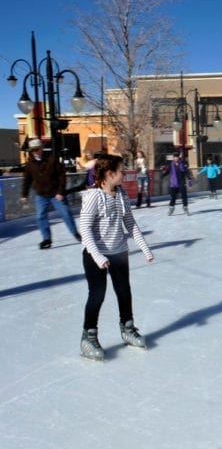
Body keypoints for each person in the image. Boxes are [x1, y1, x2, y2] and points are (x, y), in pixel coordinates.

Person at [78, 154, 154, 360]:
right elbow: (84, 229)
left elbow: (130, 223)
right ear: (109, 174)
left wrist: (145, 248)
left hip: (119, 251)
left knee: (124, 291)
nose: (124, 174)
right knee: (97, 294)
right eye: (121, 171)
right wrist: (97, 255)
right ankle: (88, 336)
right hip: (96, 254)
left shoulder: (121, 195)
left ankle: (127, 328)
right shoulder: (94, 196)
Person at [21, 138, 81, 249]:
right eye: (32, 150)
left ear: (41, 149)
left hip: (55, 194)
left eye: (36, 149)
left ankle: (76, 233)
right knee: (40, 216)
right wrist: (24, 194)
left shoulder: (52, 160)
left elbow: (61, 176)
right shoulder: (30, 164)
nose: (35, 152)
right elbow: (27, 180)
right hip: (41, 195)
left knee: (66, 213)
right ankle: (46, 239)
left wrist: (60, 192)